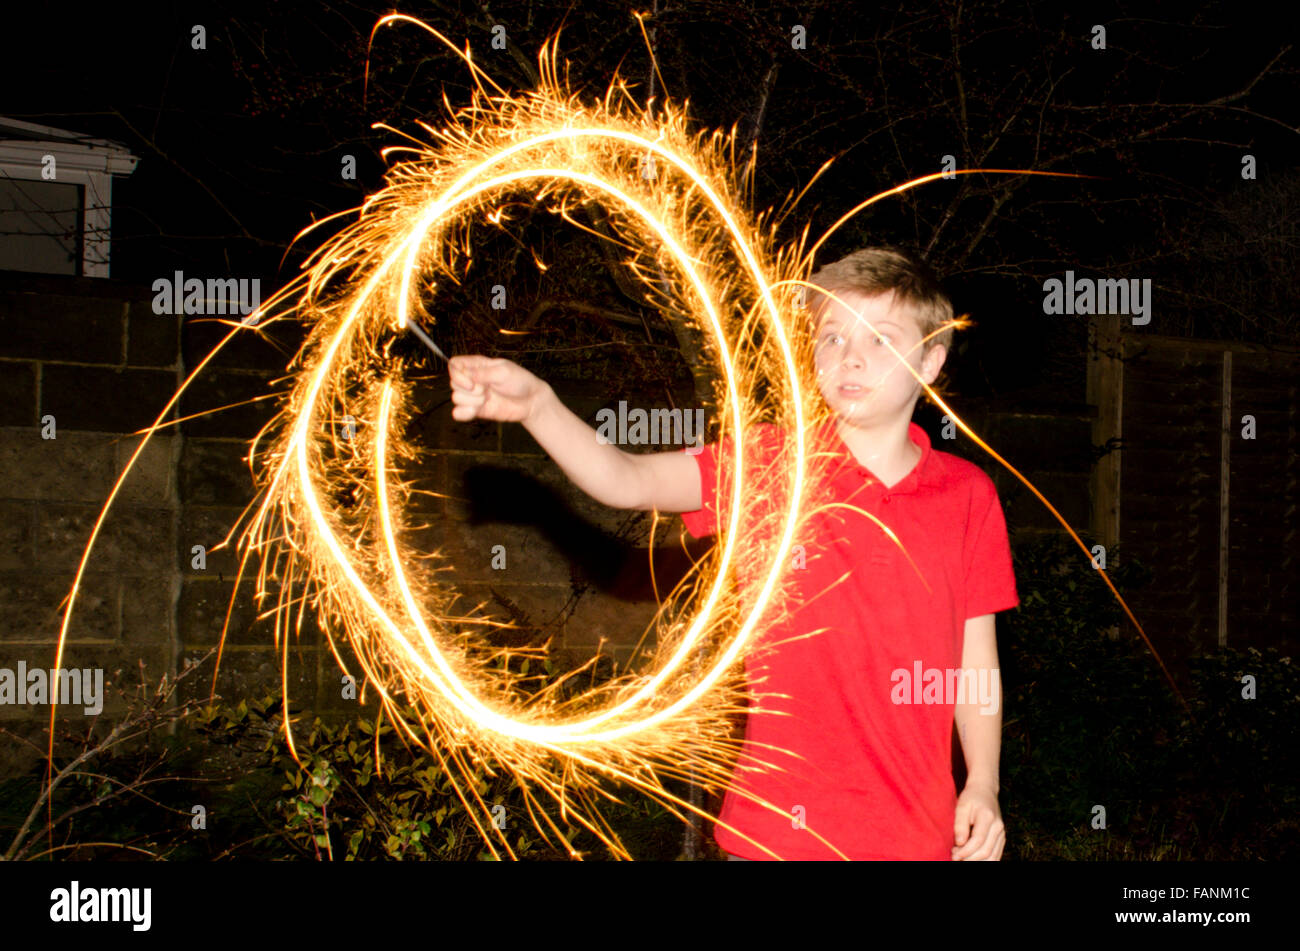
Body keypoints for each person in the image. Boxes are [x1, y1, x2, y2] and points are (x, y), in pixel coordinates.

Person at [448, 247, 1018, 860]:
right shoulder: (770, 464)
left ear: (931, 359)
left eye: (881, 339)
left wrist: (982, 784)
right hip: (772, 838)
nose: (850, 356)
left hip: (914, 839)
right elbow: (627, 479)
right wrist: (539, 406)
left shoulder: (966, 495)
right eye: (831, 336)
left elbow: (974, 665)